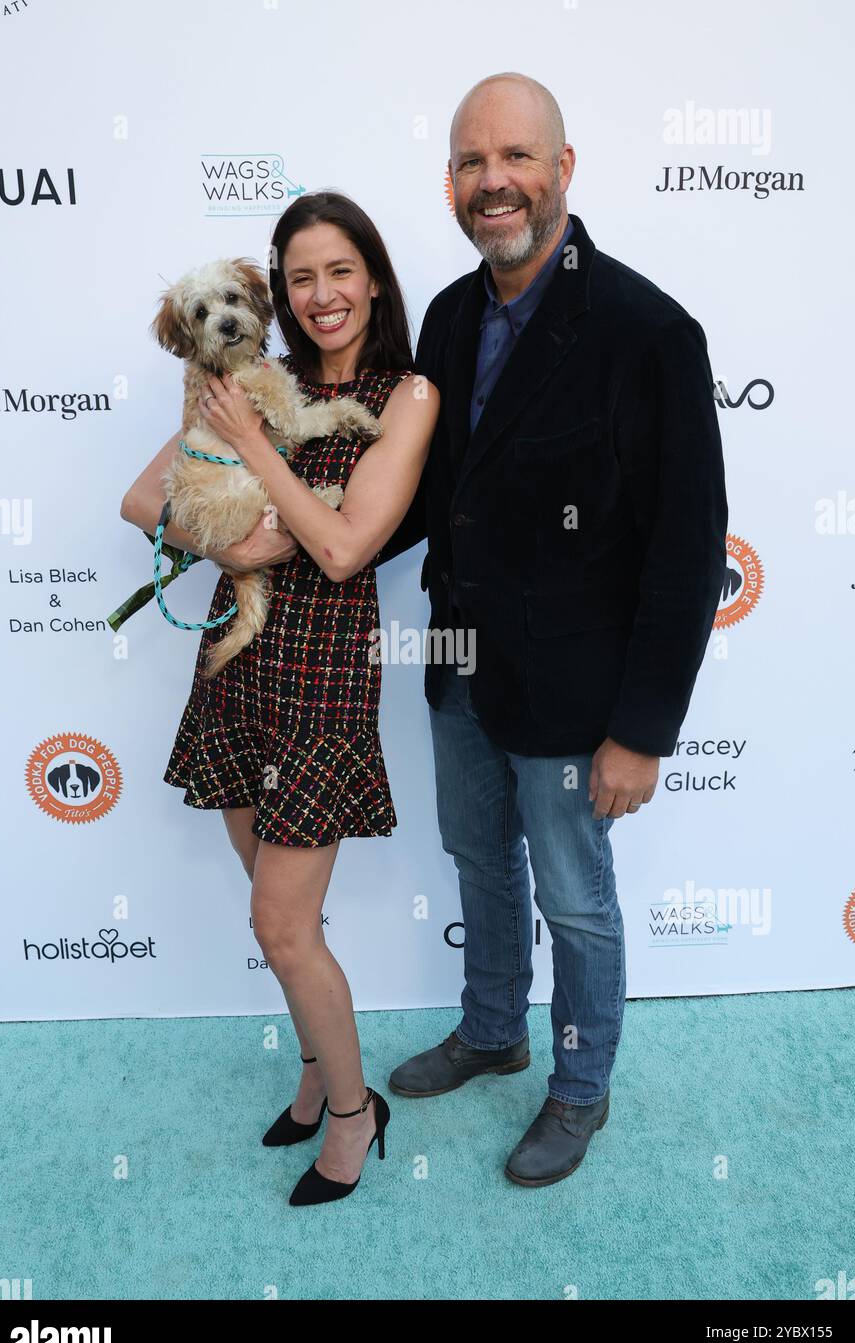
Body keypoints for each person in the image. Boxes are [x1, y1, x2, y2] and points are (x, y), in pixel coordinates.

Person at [379, 72, 729, 1187]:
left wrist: (642, 731)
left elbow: (685, 549)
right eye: (473, 162)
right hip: (455, 660)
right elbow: (424, 497)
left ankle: (579, 1087)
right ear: (450, 184)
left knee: (572, 900)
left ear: (562, 170)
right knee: (476, 856)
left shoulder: (646, 330)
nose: (495, 181)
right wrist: (301, 540)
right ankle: (492, 1029)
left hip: (579, 690)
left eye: (516, 157)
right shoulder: (444, 313)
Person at [120, 192, 439, 1206]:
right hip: (236, 658)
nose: (320, 294)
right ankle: (313, 1073)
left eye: (338, 270)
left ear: (372, 279)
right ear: (279, 294)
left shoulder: (406, 396)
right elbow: (141, 501)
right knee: (276, 913)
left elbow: (346, 550)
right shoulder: (255, 375)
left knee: (282, 925)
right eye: (300, 277)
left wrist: (256, 453)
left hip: (321, 679)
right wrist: (225, 539)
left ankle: (354, 1115)